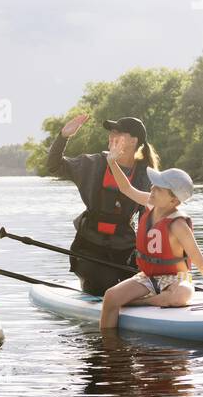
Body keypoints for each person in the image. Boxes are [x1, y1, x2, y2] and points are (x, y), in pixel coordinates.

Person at [99, 156, 203, 329]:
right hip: (147, 277)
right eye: (153, 185)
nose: (152, 190)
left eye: (159, 189)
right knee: (110, 296)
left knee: (178, 297)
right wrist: (111, 162)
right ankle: (109, 349)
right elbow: (126, 188)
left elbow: (201, 264)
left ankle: (141, 302)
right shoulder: (150, 204)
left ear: (174, 200)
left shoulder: (178, 224)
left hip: (176, 279)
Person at [46, 113, 157, 295]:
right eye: (111, 133)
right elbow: (53, 166)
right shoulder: (92, 163)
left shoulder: (146, 174)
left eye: (118, 133)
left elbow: (151, 217)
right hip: (89, 247)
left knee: (147, 286)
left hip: (125, 248)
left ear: (133, 141)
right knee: (105, 284)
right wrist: (63, 136)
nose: (111, 137)